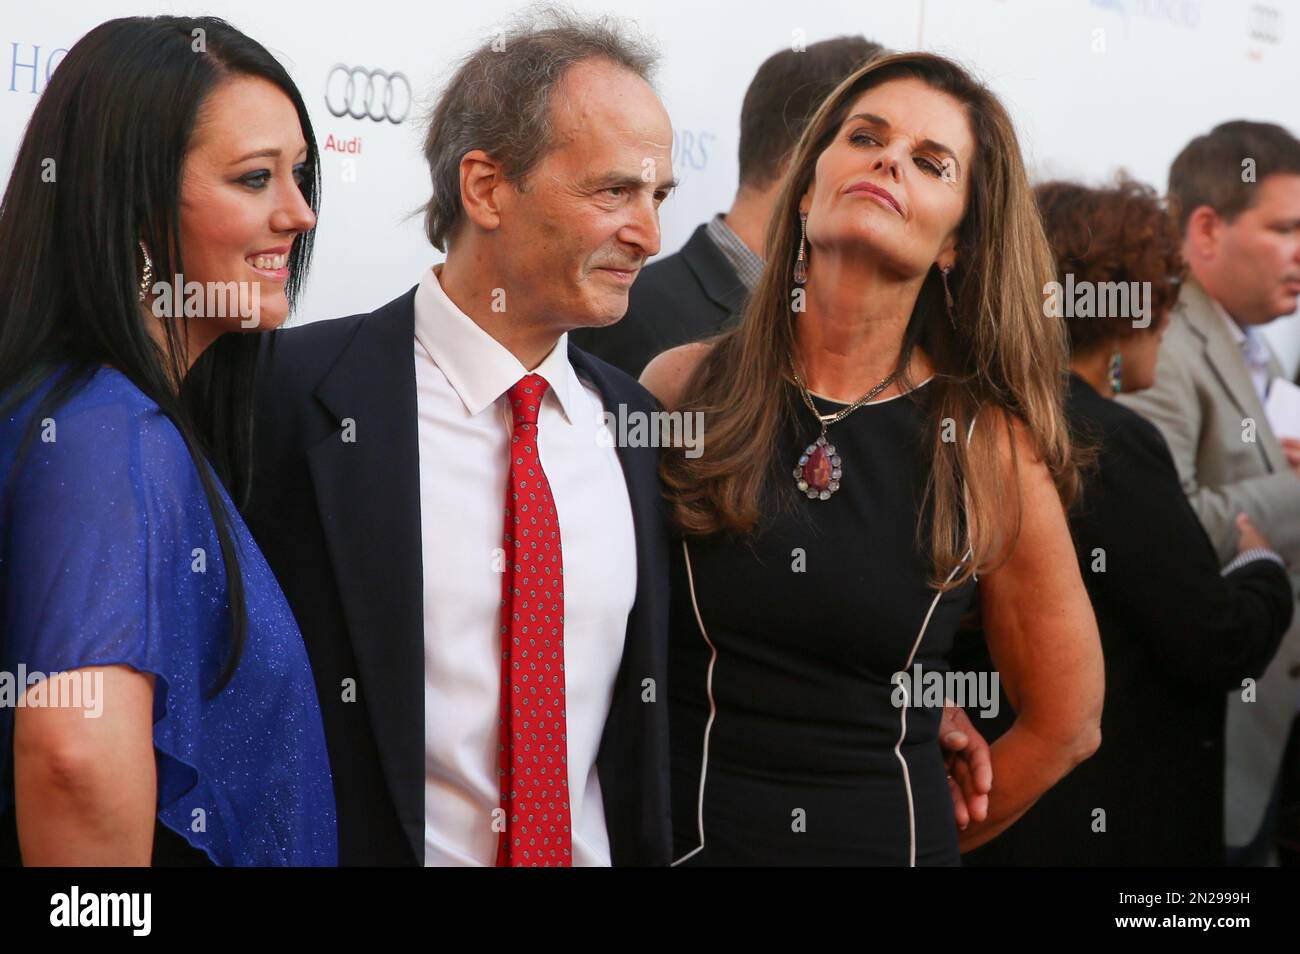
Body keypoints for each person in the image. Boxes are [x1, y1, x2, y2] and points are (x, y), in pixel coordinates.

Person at [641, 51, 1104, 866]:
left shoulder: (987, 447)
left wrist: (929, 839)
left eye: (931, 163)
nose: (890, 160)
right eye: (865, 137)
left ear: (957, 239)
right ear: (810, 182)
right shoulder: (680, 387)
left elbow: (1068, 722)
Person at [243, 8, 678, 867]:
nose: (649, 235)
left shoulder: (639, 430)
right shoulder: (284, 397)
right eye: (614, 191)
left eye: (658, 197)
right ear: (485, 188)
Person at [0, 16, 335, 866]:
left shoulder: (86, 414)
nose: (297, 213)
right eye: (255, 178)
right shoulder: (110, 435)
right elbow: (75, 756)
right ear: (135, 206)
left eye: (299, 175)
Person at [964, 177, 1294, 866]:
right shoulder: (1105, 438)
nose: (1170, 320)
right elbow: (1211, 639)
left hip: (1013, 805)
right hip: (1112, 819)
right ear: (1127, 310)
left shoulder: (988, 411)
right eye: (1165, 295)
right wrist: (1261, 568)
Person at [1116, 121, 1300, 864]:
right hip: (1204, 743)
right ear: (1206, 228)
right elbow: (1168, 530)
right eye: (1286, 228)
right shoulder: (1158, 344)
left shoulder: (1257, 344)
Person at [570, 35, 886, 376]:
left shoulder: (833, 327)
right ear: (804, 159)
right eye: (865, 141)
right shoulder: (623, 314)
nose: (890, 172)